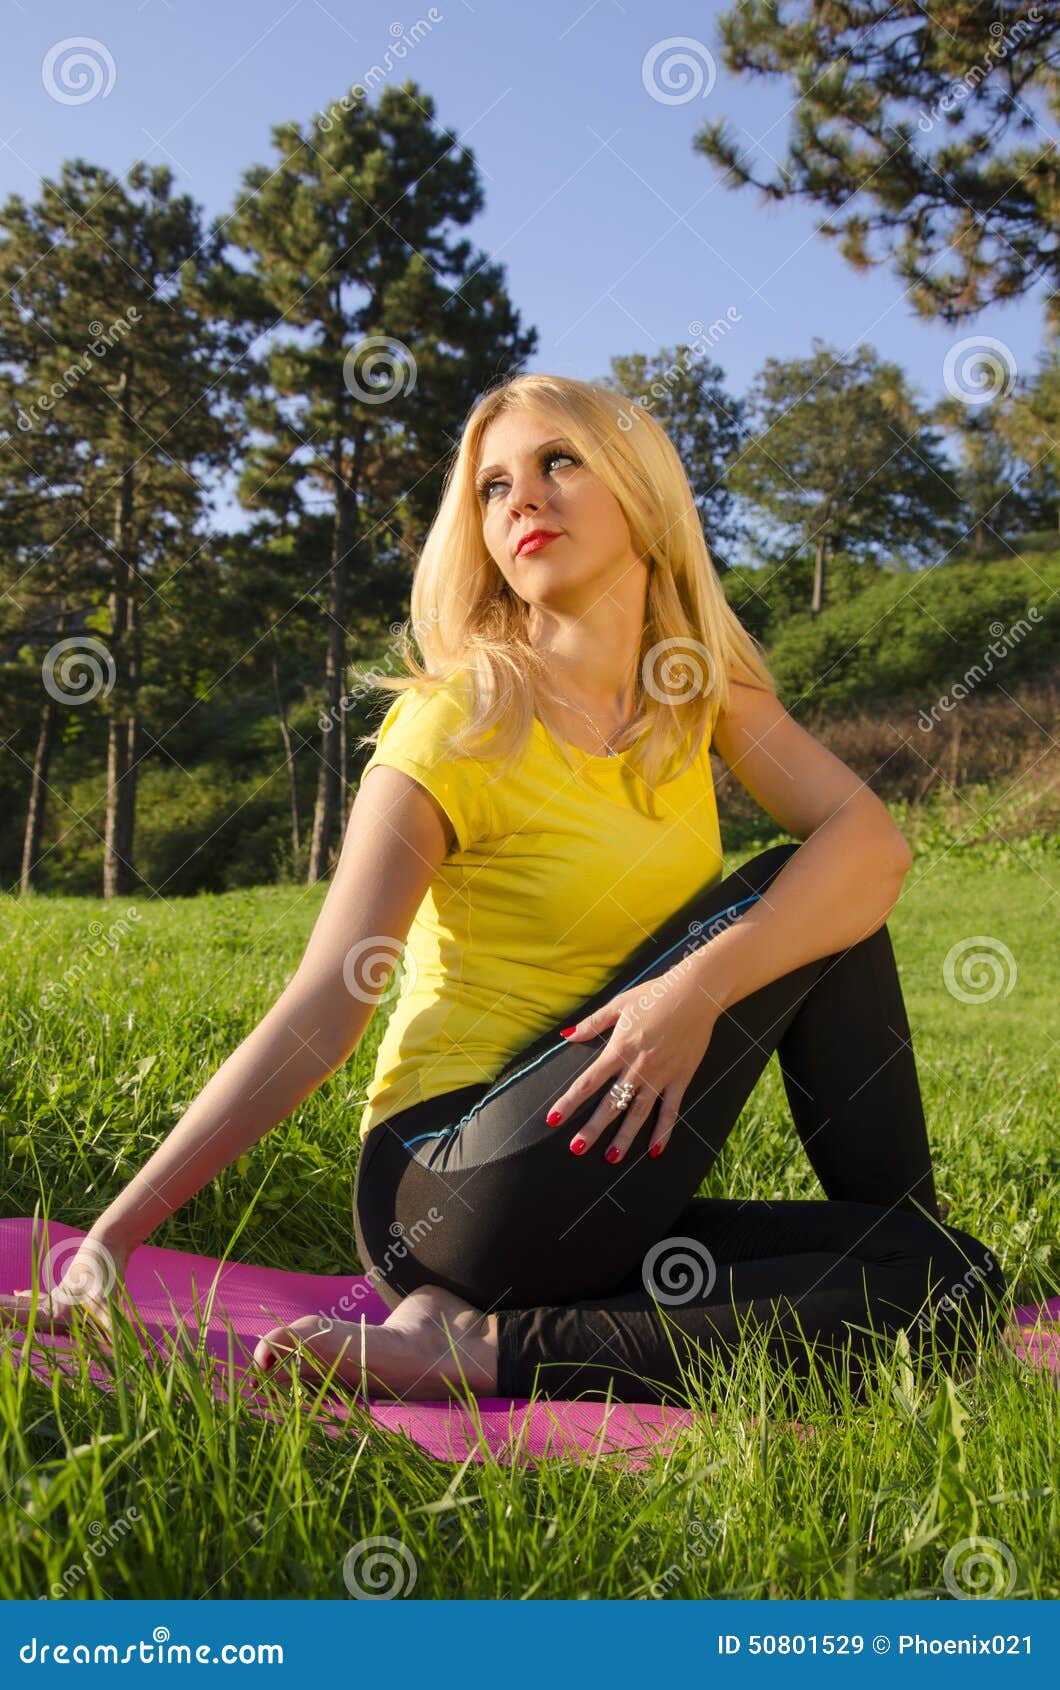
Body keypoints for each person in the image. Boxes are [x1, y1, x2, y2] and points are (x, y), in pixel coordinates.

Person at [1, 374, 1005, 1407]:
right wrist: (111, 1240)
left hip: (601, 1185)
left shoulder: (697, 693)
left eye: (557, 462)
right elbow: (321, 1007)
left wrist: (692, 992)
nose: (520, 499)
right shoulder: (456, 723)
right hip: (454, 1178)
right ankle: (481, 1344)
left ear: (643, 494)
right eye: (491, 487)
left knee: (950, 1273)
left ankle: (509, 1325)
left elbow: (873, 848)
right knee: (799, 897)